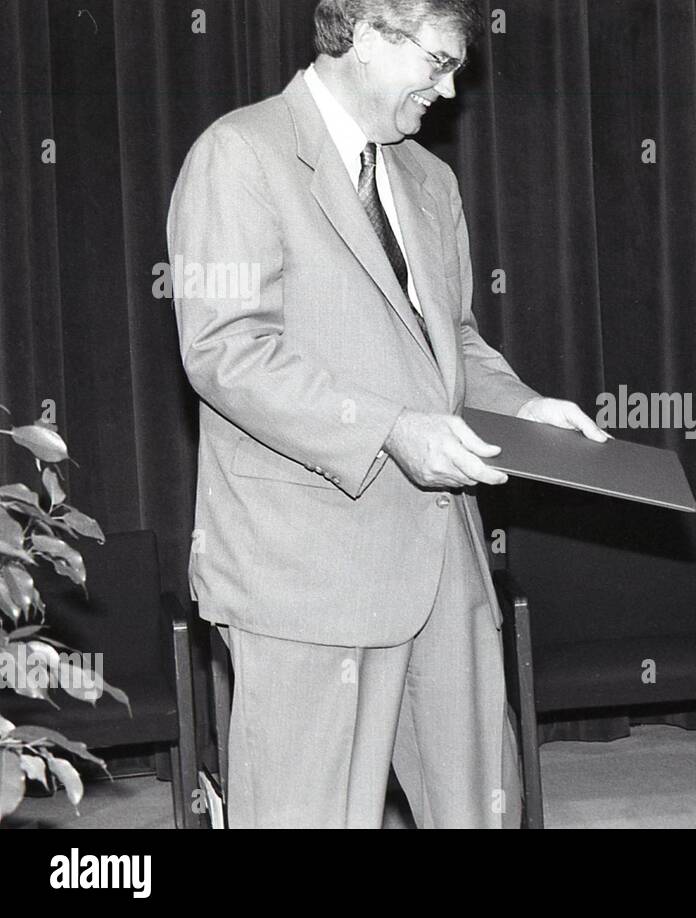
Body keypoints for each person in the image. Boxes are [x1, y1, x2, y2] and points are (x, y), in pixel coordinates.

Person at [167, 0, 606, 828]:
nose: (449, 92)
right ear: (368, 37)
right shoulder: (239, 153)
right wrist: (390, 431)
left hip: (445, 556)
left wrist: (526, 407)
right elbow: (225, 350)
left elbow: (454, 342)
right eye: (439, 64)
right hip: (308, 569)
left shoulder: (431, 179)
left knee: (479, 808)